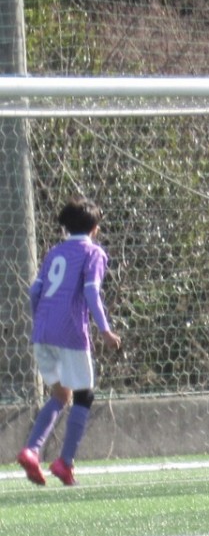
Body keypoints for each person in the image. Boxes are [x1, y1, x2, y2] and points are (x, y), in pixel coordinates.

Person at [17, 195, 122, 487]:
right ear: (95, 229)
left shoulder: (54, 253)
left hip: (42, 332)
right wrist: (104, 329)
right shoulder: (94, 253)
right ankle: (64, 463)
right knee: (85, 395)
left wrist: (42, 322)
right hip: (70, 333)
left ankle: (31, 449)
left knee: (60, 396)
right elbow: (91, 291)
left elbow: (34, 292)